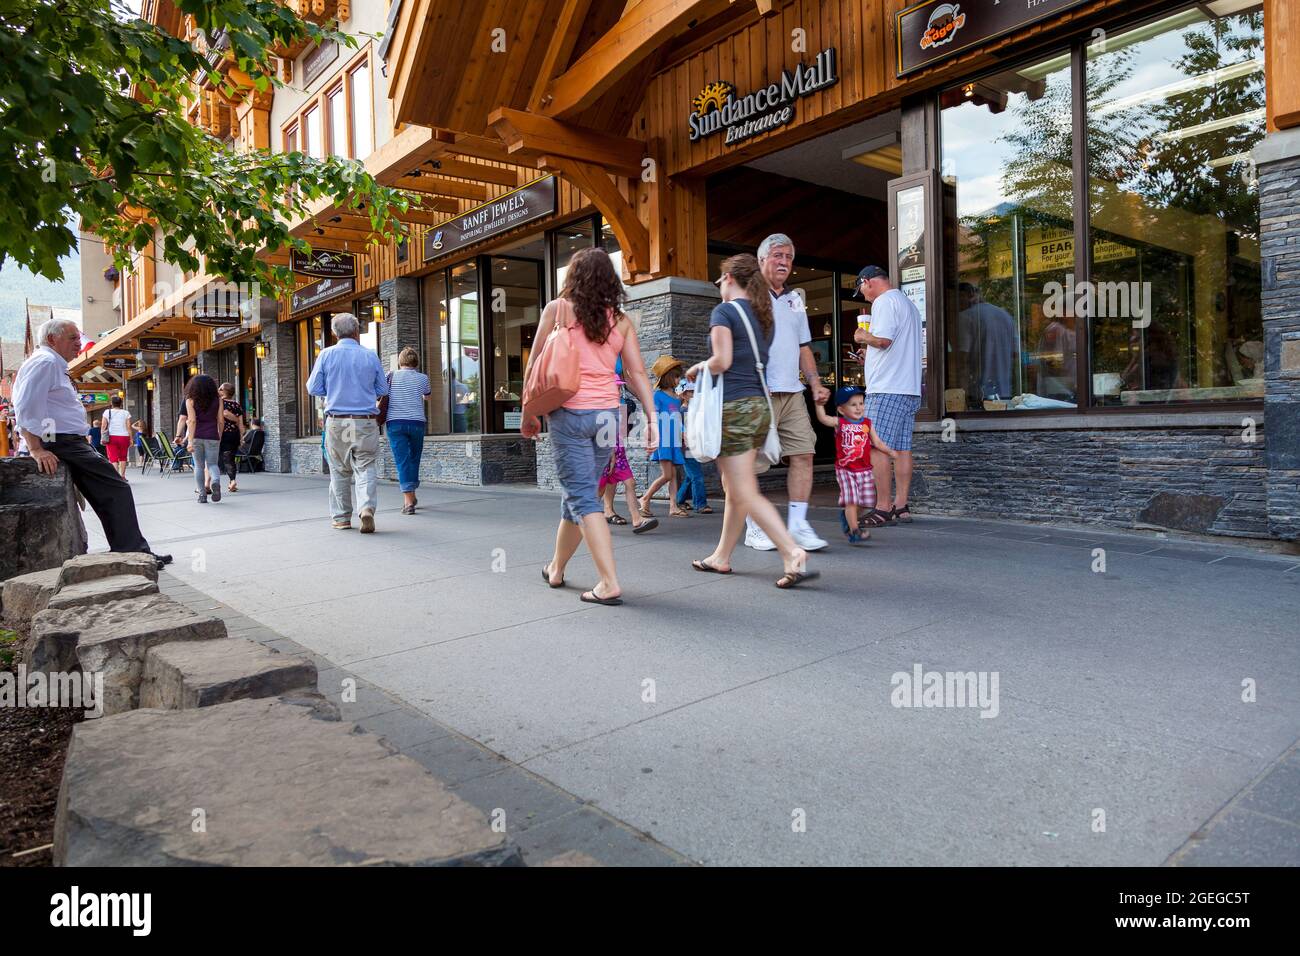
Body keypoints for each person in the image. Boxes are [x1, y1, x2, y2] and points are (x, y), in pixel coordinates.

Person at [524, 247, 657, 606]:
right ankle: (556, 567)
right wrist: (653, 418)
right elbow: (636, 373)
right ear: (610, 281)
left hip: (569, 413)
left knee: (583, 496)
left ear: (574, 277)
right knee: (582, 497)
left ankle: (609, 582)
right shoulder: (621, 321)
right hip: (607, 417)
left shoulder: (558, 310)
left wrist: (528, 413)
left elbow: (534, 364)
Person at [687, 253, 817, 589]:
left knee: (743, 489)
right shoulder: (763, 318)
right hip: (760, 406)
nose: (718, 285)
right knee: (736, 488)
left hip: (734, 407)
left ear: (730, 277)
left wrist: (700, 367)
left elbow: (723, 360)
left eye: (720, 279)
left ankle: (791, 552)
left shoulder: (724, 312)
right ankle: (721, 556)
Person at [11, 318, 171, 566]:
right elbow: (27, 405)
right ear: (53, 339)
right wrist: (35, 447)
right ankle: (132, 551)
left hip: (66, 440)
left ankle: (133, 550)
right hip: (61, 441)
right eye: (73, 338)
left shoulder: (52, 362)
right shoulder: (45, 361)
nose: (79, 343)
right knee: (117, 488)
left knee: (109, 490)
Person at [744, 234, 830, 553]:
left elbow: (804, 346)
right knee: (751, 463)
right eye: (778, 255)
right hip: (758, 392)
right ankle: (754, 526)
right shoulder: (749, 295)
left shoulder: (794, 299)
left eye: (789, 257)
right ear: (762, 259)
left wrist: (815, 381)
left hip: (792, 391)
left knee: (804, 453)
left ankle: (797, 524)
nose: (784, 262)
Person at [853, 265, 924, 526]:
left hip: (886, 389)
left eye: (860, 287)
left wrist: (862, 336)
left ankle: (882, 507)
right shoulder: (908, 305)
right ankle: (901, 505)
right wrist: (868, 358)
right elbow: (891, 346)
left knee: (877, 447)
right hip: (909, 388)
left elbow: (883, 341)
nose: (862, 294)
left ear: (868, 281)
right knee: (903, 449)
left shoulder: (884, 302)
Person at [307, 312, 389, 533]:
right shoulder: (370, 355)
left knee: (340, 471)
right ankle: (366, 509)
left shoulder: (326, 354)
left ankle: (342, 518)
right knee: (365, 467)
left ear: (335, 333)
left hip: (338, 422)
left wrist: (333, 390)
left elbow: (313, 388)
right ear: (356, 332)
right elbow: (383, 390)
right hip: (365, 422)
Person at [813, 385, 896, 544]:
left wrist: (890, 452)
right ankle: (854, 530)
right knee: (852, 500)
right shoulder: (840, 423)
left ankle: (847, 517)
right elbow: (823, 419)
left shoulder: (867, 424)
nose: (859, 408)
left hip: (864, 470)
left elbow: (877, 442)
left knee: (865, 502)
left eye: (861, 403)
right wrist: (819, 405)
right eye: (853, 404)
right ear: (842, 410)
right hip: (846, 470)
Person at [599, 355, 655, 531]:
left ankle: (637, 519)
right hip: (606, 454)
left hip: (618, 451)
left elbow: (628, 378)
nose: (618, 391)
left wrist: (646, 402)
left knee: (630, 483)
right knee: (598, 490)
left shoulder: (617, 408)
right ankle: (593, 518)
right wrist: (611, 452)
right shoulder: (602, 410)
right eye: (616, 389)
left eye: (619, 389)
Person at [638, 356, 688, 518]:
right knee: (667, 475)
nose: (679, 379)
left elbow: (677, 418)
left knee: (673, 474)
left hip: (673, 439)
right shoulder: (657, 396)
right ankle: (645, 498)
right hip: (663, 440)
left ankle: (673, 506)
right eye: (677, 376)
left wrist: (683, 433)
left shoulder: (676, 398)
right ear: (668, 377)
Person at [385, 347, 431, 515]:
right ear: (416, 362)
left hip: (395, 423)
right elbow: (427, 396)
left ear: (400, 361)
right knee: (413, 459)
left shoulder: (390, 376)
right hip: (417, 422)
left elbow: (380, 394)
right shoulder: (423, 378)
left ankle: (408, 502)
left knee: (402, 460)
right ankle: (411, 495)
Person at [674, 378, 712, 514]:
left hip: (696, 446)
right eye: (690, 392)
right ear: (683, 395)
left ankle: (679, 500)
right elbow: (681, 431)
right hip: (687, 448)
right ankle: (700, 504)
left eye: (695, 391)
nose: (694, 394)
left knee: (691, 477)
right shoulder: (682, 411)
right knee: (697, 476)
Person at [184, 374, 224, 504]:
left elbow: (191, 421)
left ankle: (202, 495)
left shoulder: (190, 400)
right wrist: (219, 435)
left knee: (199, 466)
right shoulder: (218, 400)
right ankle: (216, 482)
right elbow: (221, 420)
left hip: (196, 437)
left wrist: (189, 441)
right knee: (212, 464)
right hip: (212, 436)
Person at [218, 382, 246, 493]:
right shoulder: (236, 404)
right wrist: (241, 437)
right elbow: (241, 424)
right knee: (231, 459)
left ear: (225, 392)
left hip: (224, 434)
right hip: (234, 434)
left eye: (220, 388)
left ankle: (231, 480)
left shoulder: (221, 403)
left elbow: (224, 414)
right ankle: (232, 481)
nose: (218, 390)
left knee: (225, 458)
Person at [101, 395, 134, 478]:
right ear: (121, 403)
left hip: (111, 437)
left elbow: (103, 426)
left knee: (113, 458)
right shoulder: (126, 413)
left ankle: (116, 477)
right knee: (123, 457)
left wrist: (102, 436)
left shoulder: (107, 412)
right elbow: (129, 427)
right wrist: (131, 439)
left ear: (111, 403)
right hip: (124, 437)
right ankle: (122, 476)